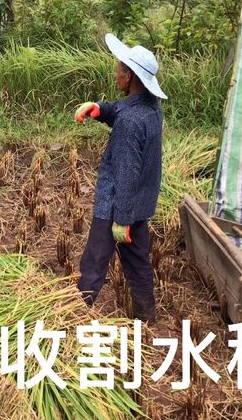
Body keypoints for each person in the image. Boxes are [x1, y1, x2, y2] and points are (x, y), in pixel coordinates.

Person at [73, 33, 165, 322]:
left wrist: (120, 221)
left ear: (131, 76)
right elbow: (121, 110)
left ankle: (73, 314)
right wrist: (100, 110)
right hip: (139, 205)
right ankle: (147, 316)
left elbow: (126, 173)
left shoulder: (131, 122)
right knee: (138, 263)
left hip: (116, 207)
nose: (116, 74)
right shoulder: (150, 109)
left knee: (94, 263)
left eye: (119, 70)